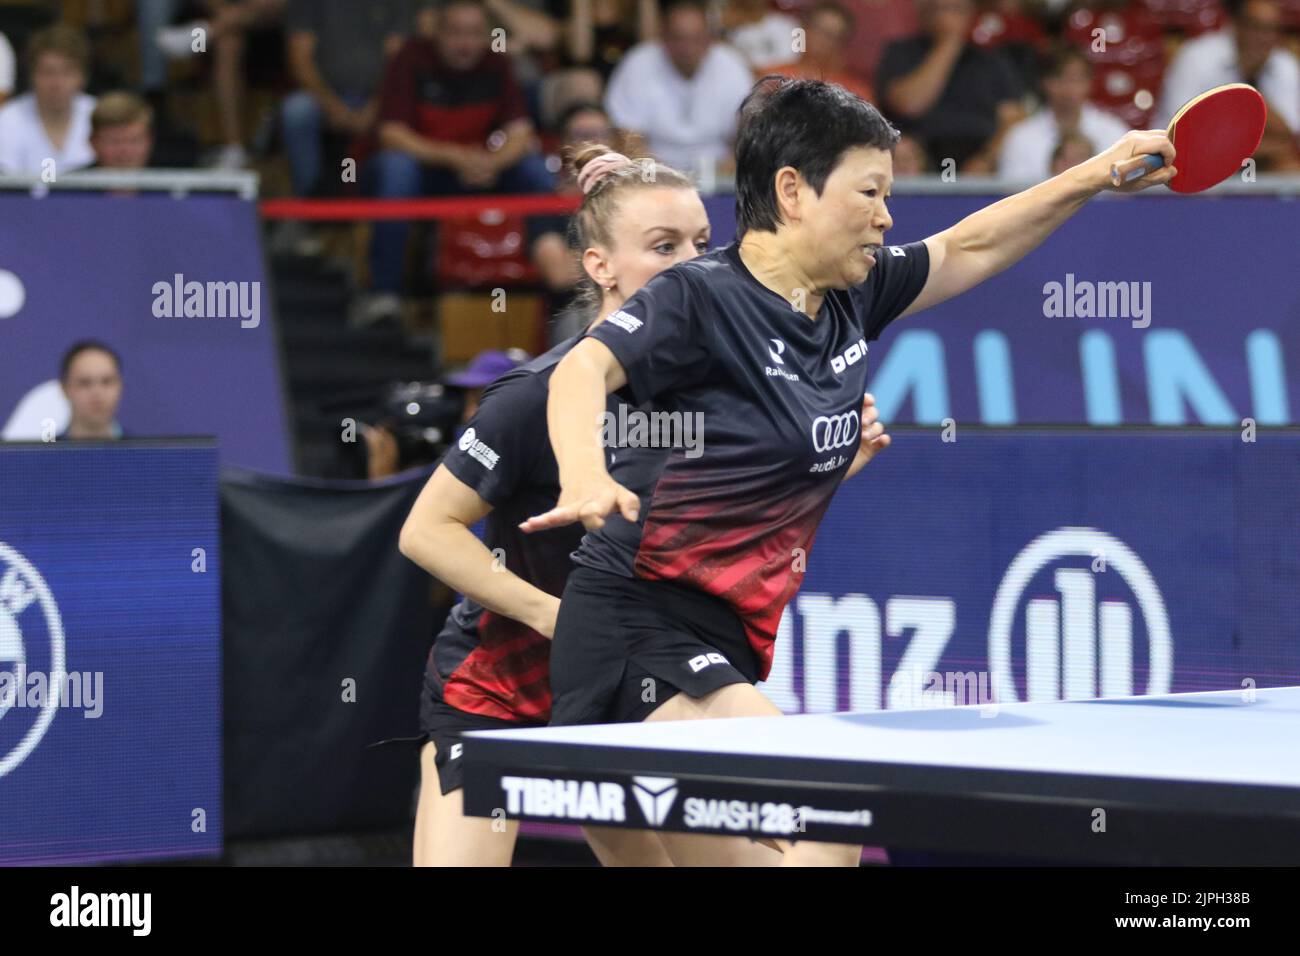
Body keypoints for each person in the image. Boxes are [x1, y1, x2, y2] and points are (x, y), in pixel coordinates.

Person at [520, 77, 1174, 866]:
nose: (887, 217)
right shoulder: (699, 298)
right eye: (869, 192)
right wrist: (585, 473)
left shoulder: (847, 300)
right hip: (636, 630)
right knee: (822, 822)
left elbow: (972, 244)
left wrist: (1100, 171)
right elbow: (579, 372)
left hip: (726, 638)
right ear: (792, 191)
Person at [399, 141, 893, 865]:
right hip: (498, 693)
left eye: (699, 243)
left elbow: (718, 516)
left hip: (622, 685)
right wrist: (552, 616)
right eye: (662, 246)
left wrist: (828, 468)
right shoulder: (538, 394)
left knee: (793, 843)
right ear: (600, 266)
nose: (691, 261)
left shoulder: (723, 384)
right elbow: (426, 531)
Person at [363, 0, 554, 322]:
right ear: (436, 32)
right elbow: (392, 135)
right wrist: (455, 157)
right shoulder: (409, 57)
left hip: (478, 171)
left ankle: (554, 286)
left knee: (536, 170)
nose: (465, 44)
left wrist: (493, 162)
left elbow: (521, 133)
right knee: (397, 168)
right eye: (455, 33)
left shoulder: (497, 63)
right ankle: (385, 294)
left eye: (474, 34)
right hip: (424, 170)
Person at [603, 0, 754, 175]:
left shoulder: (732, 65)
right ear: (663, 37)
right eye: (678, 38)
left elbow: (745, 134)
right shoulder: (637, 64)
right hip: (654, 173)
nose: (687, 48)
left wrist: (730, 169)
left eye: (696, 39)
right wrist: (658, 175)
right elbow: (625, 137)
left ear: (709, 39)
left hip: (719, 171)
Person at [877, 0, 1024, 172]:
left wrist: (987, 159)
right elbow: (910, 104)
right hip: (919, 158)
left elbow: (1013, 119)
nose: (946, 16)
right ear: (924, 11)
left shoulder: (991, 61)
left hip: (978, 157)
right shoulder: (901, 52)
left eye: (956, 9)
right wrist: (950, 42)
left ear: (971, 14)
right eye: (938, 8)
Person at [1157, 0, 1299, 171]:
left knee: (1289, 167)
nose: (1263, 37)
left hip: (1253, 164)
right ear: (1235, 25)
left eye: (1271, 29)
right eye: (1255, 27)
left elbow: (1289, 136)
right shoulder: (1196, 58)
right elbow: (1181, 134)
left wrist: (1251, 79)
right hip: (1187, 163)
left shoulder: (1284, 63)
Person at [997, 46, 1128, 182]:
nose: (1069, 88)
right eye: (1060, 78)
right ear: (1045, 82)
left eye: (1077, 79)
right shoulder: (1021, 138)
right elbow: (1013, 194)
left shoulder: (1114, 133)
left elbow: (1126, 193)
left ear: (1090, 83)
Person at [0, 24, 96, 175]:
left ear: (82, 76)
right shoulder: (7, 120)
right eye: (47, 72)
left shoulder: (99, 114)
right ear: (31, 76)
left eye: (67, 72)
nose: (56, 83)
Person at [764, 1, 875, 102]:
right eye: (819, 30)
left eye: (832, 36)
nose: (823, 41)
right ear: (804, 29)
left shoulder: (856, 92)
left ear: (842, 44)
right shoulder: (773, 79)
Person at [58, 341, 125, 441]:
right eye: (85, 383)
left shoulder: (140, 452)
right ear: (65, 388)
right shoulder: (49, 454)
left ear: (120, 385)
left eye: (106, 382)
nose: (97, 393)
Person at [88, 92, 155, 170]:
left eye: (134, 141)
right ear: (93, 143)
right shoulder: (72, 180)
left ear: (149, 141)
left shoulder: (170, 178)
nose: (125, 152)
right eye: (114, 142)